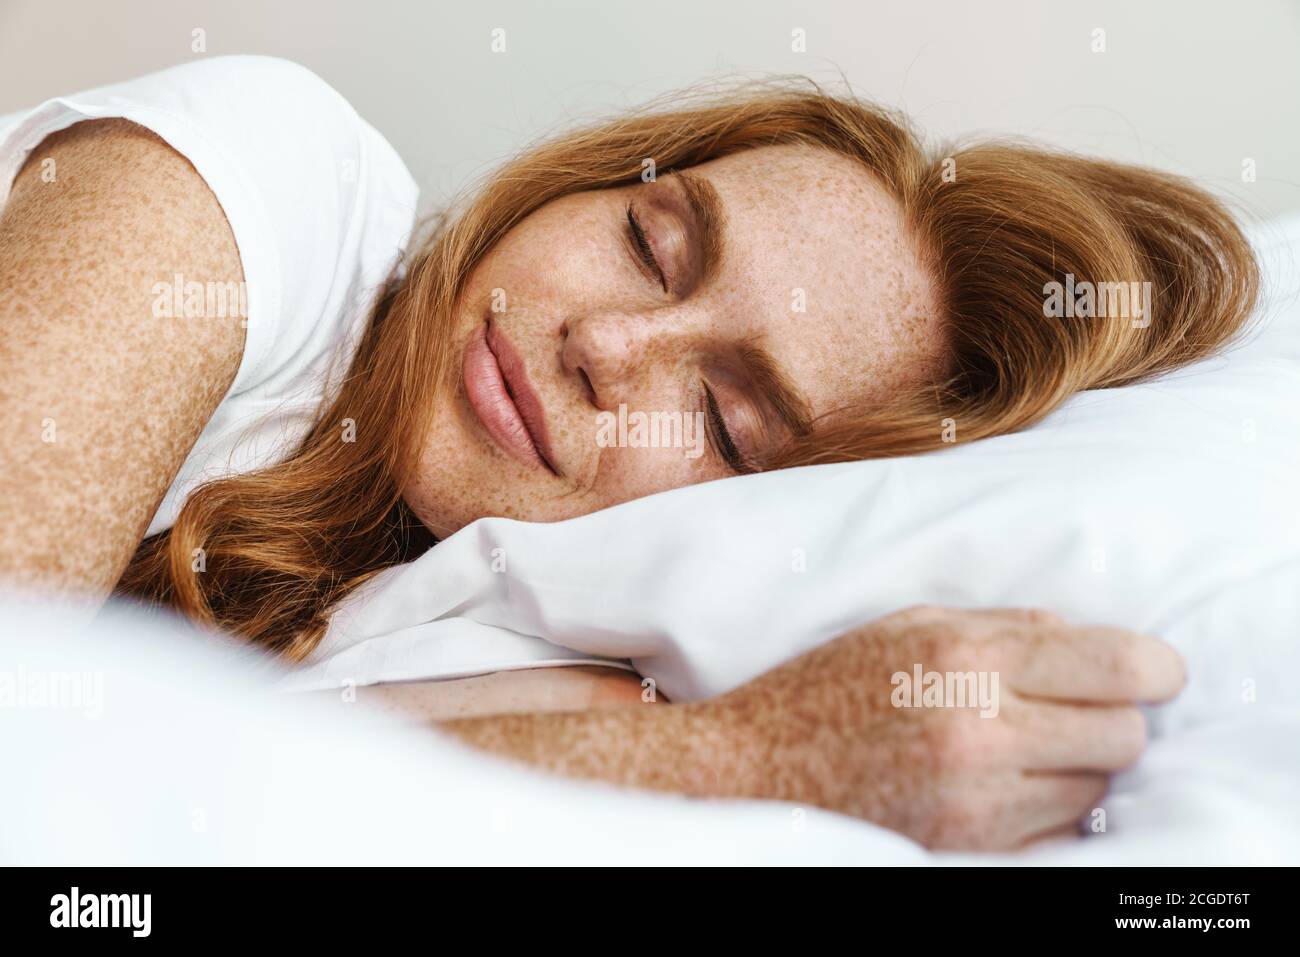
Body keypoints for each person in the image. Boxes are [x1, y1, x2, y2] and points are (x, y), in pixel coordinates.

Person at [0, 56, 1253, 849]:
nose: (604, 342)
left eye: (724, 420)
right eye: (651, 243)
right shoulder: (269, 181)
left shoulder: (494, 629)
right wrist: (733, 760)